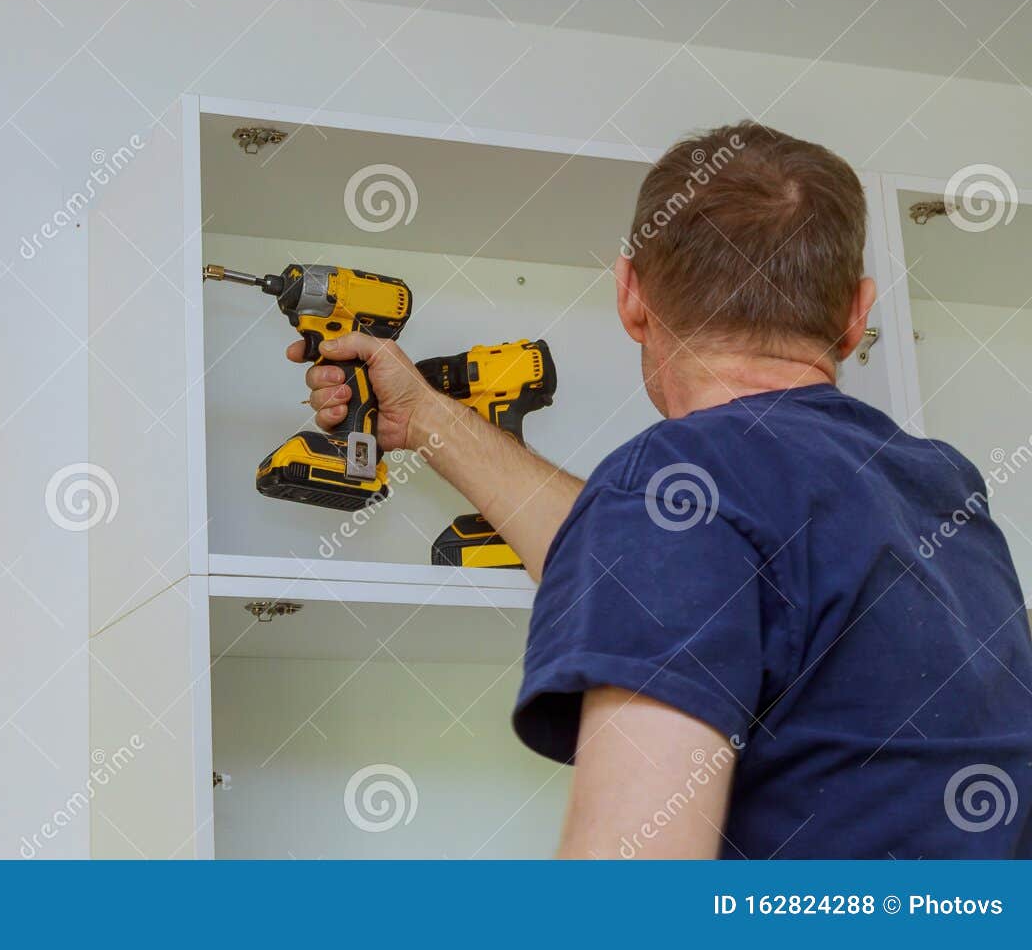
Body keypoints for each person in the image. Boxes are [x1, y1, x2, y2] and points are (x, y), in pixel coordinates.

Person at [293, 121, 1032, 858]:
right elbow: (653, 564)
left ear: (630, 296)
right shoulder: (940, 485)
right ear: (856, 314)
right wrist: (424, 417)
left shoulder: (668, 492)